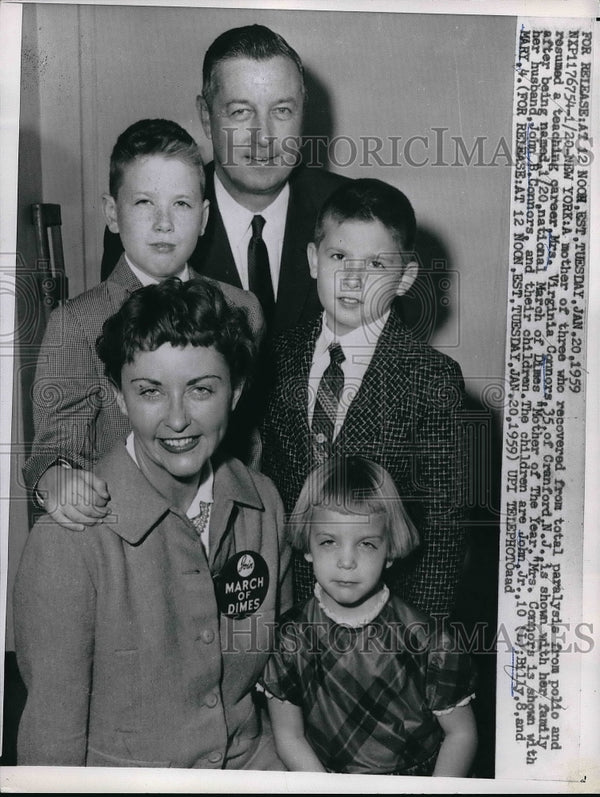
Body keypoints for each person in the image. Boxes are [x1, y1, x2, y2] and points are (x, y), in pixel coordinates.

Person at [14, 278, 291, 768]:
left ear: (238, 391)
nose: (177, 419)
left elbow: (278, 670)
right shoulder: (68, 538)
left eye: (201, 389)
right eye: (150, 392)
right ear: (119, 398)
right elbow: (51, 743)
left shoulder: (263, 503)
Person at [22, 118, 263, 530]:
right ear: (112, 214)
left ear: (204, 219)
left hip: (223, 525)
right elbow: (54, 448)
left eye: (181, 204)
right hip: (127, 531)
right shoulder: (76, 323)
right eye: (144, 203)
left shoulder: (242, 309)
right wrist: (55, 477)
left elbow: (250, 437)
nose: (164, 222)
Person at [261, 178, 467, 617]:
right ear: (314, 260)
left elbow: (445, 530)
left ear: (406, 277)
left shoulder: (432, 379)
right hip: (286, 612)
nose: (353, 279)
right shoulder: (274, 358)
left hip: (387, 621)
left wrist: (420, 642)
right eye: (339, 257)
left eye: (375, 264)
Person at [100, 24, 348, 334]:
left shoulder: (353, 212)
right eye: (241, 112)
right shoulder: (145, 222)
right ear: (206, 117)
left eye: (282, 110)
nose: (264, 138)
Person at [259, 456, 477, 776]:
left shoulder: (429, 641)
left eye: (366, 544)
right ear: (307, 545)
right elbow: (289, 737)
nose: (347, 561)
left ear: (390, 549)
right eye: (329, 541)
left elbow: (462, 734)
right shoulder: (289, 638)